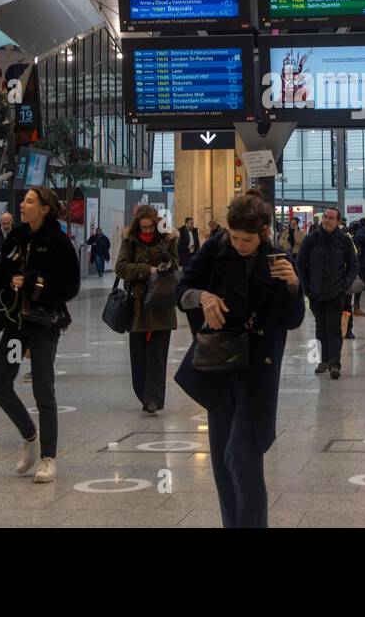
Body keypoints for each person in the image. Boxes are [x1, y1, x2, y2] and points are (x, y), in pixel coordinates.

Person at [174, 189, 304, 528]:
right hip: (219, 362)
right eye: (234, 237)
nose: (238, 244)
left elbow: (292, 320)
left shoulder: (277, 260)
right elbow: (181, 291)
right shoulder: (216, 248)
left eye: (246, 239)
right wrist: (202, 297)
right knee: (221, 460)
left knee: (242, 456)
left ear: (262, 233)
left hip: (257, 369)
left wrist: (293, 286)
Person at [0, 187, 80, 483]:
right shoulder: (17, 237)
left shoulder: (57, 242)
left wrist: (34, 282)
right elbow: (2, 278)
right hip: (17, 327)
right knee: (0, 384)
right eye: (24, 200)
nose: (23, 204)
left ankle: (48, 457)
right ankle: (29, 435)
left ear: (45, 208)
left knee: (43, 389)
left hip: (43, 325)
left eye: (30, 201)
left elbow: (70, 286)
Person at [114, 206, 180, 415]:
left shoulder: (168, 240)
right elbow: (121, 268)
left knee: (157, 354)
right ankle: (144, 394)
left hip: (161, 303)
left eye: (151, 227)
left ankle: (153, 399)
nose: (148, 231)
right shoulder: (130, 241)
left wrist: (167, 264)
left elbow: (176, 267)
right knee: (139, 356)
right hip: (138, 305)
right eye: (144, 227)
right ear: (137, 226)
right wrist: (148, 270)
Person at [297, 207, 358, 378]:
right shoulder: (311, 239)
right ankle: (322, 361)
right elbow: (300, 264)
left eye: (331, 218)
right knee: (320, 327)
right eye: (325, 217)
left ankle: (334, 363)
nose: (327, 220)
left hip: (336, 291)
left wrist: (344, 285)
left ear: (338, 222)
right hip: (315, 291)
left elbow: (354, 265)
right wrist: (306, 287)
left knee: (334, 327)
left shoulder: (344, 240)